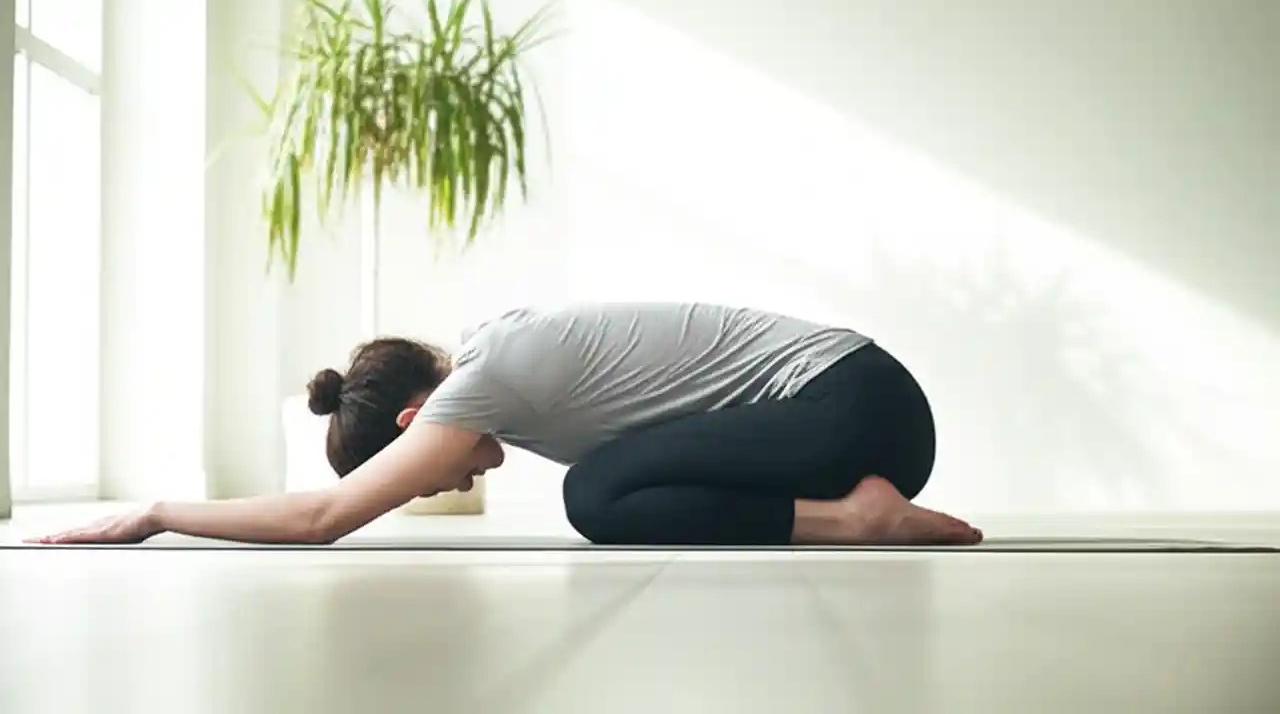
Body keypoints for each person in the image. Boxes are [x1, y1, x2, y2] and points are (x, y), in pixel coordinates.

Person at [29, 302, 982, 546]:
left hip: (854, 405)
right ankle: (855, 512)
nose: (438, 483)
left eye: (415, 467)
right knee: (610, 485)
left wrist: (157, 511)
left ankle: (863, 519)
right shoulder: (509, 366)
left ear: (415, 417)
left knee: (598, 492)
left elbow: (321, 519)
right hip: (858, 407)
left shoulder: (483, 384)